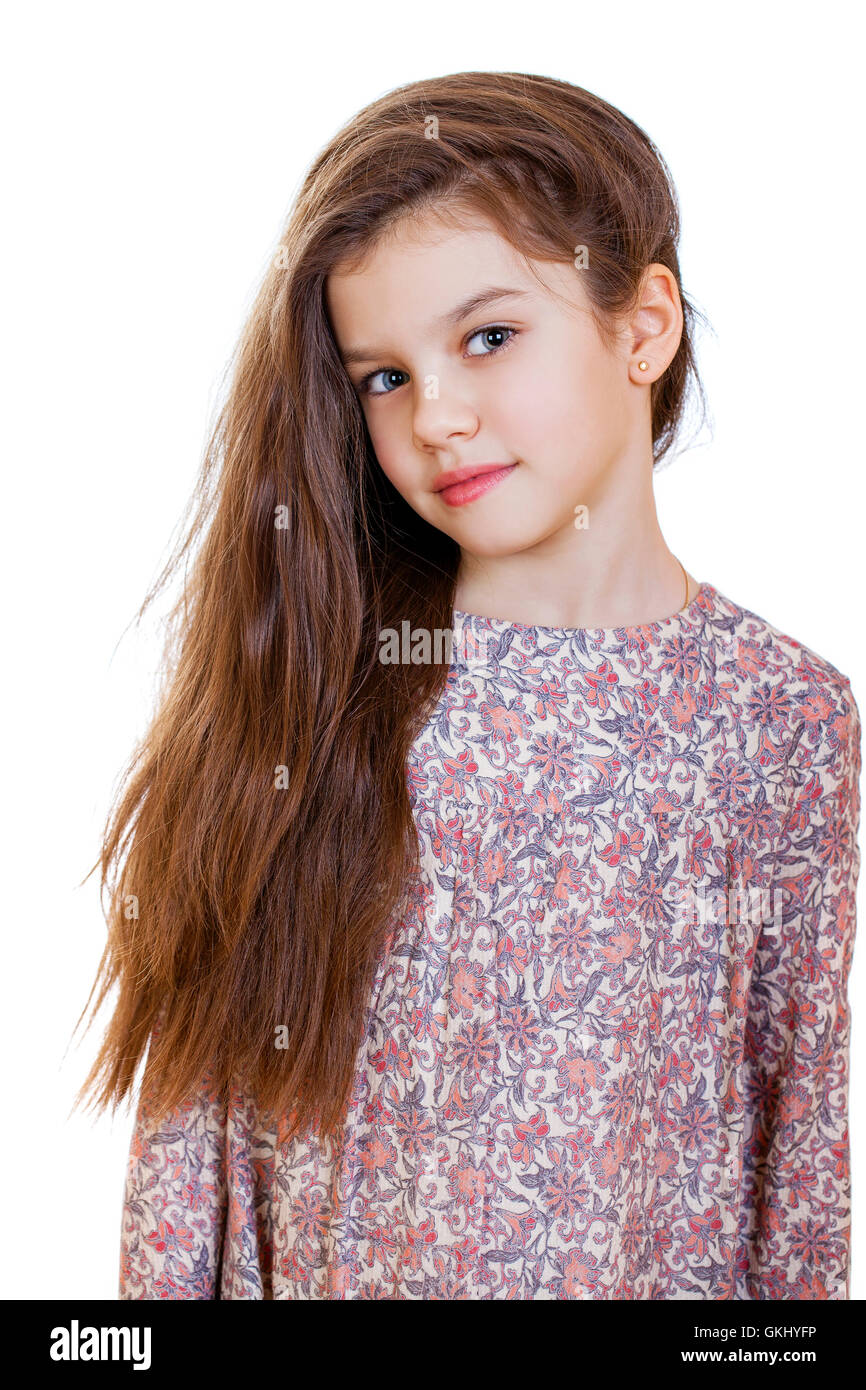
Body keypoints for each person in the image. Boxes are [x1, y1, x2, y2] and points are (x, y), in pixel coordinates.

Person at [74, 71, 861, 1299]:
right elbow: (196, 1161)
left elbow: (795, 1148)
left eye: (487, 337)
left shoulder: (785, 722)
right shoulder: (316, 694)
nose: (435, 414)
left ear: (641, 325)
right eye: (382, 376)